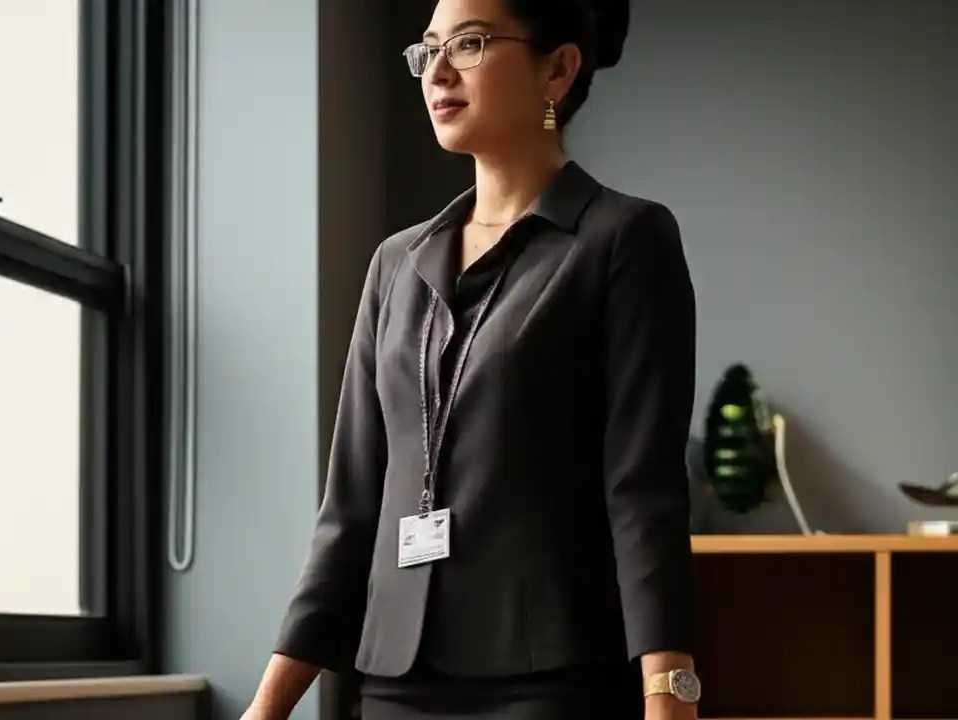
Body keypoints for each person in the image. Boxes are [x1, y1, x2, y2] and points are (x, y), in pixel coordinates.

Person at [245, 0, 700, 717]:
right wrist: (268, 706)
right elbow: (352, 505)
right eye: (427, 50)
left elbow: (643, 488)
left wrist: (669, 693)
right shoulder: (396, 263)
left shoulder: (624, 238)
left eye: (471, 43)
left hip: (550, 678)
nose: (438, 71)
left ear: (557, 68)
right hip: (392, 678)